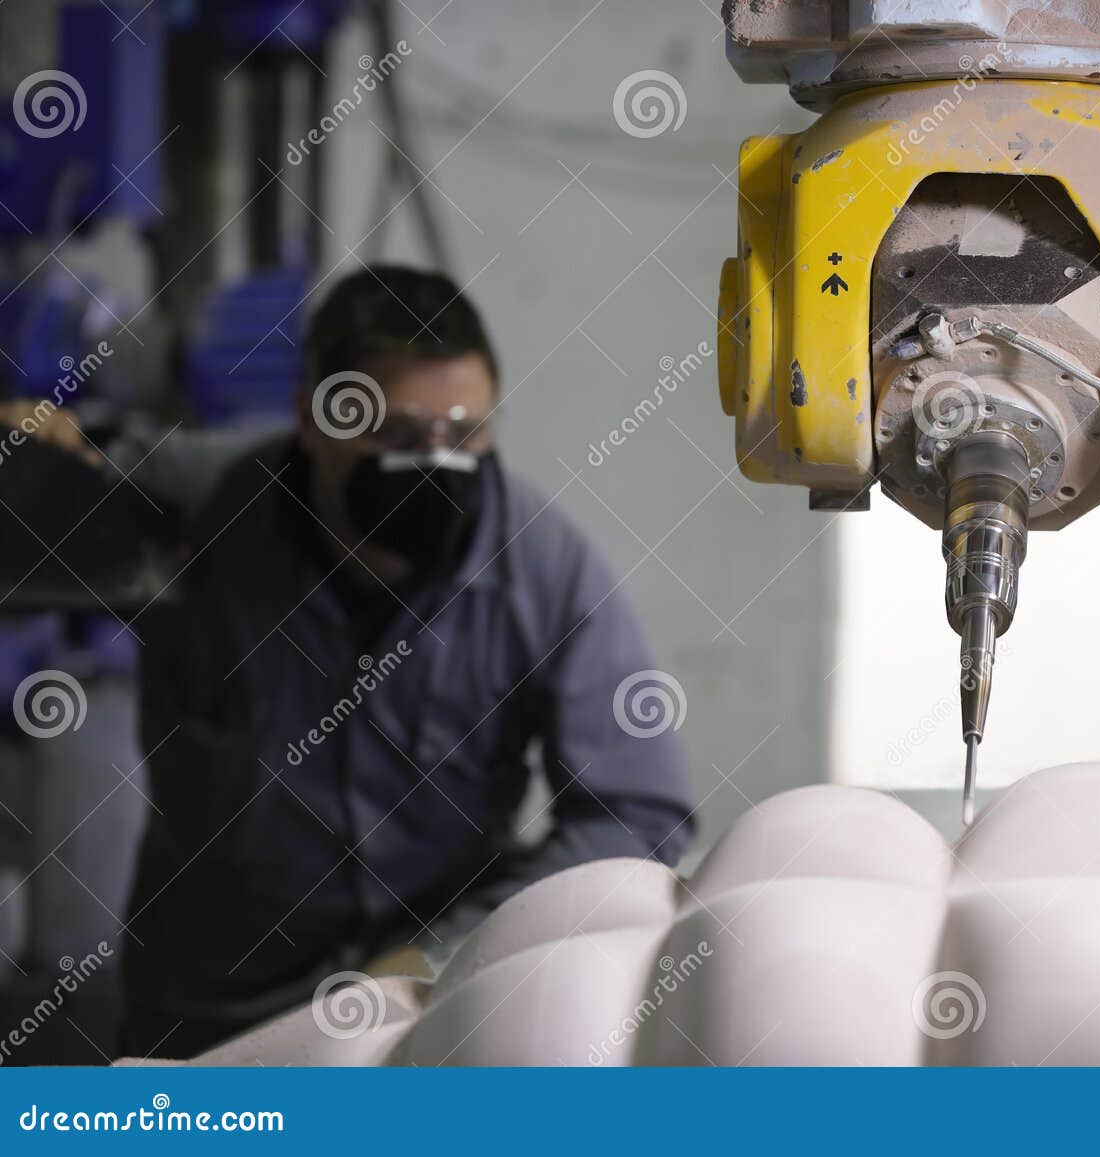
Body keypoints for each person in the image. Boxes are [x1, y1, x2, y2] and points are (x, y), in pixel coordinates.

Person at [119, 266, 694, 1058]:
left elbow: (635, 816)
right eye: (396, 434)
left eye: (463, 435)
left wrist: (443, 952)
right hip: (207, 1016)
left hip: (428, 1012)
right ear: (313, 419)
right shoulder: (200, 504)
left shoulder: (542, 568)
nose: (434, 460)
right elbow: (51, 481)